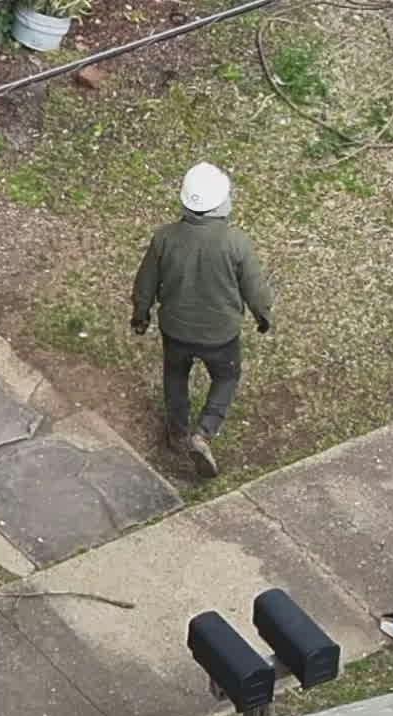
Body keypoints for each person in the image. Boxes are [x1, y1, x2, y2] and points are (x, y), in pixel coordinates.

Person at [128, 162, 275, 481]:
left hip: (176, 329)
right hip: (220, 335)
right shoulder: (236, 242)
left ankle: (178, 433)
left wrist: (140, 316)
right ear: (222, 204)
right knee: (226, 377)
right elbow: (255, 289)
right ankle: (204, 432)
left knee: (176, 376)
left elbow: (145, 284)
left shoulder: (164, 237)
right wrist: (263, 316)